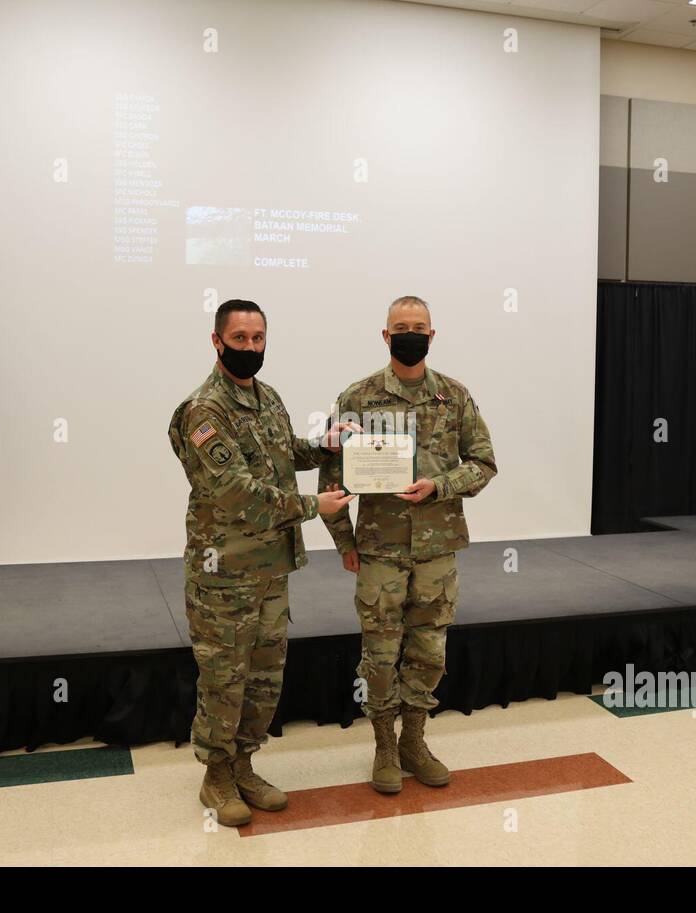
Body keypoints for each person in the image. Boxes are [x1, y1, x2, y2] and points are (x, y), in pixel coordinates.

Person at [167, 299, 355, 827]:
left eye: (258, 338)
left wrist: (322, 446)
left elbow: (279, 456)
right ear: (217, 340)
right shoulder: (203, 411)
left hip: (271, 570)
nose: (250, 347)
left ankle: (245, 765)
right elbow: (233, 492)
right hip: (224, 573)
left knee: (264, 679)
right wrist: (310, 507)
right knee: (224, 679)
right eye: (240, 338)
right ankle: (216, 776)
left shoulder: (267, 397)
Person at [319, 295, 496, 793]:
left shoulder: (455, 397)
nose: (410, 333)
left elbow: (483, 463)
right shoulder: (358, 396)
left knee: (428, 650)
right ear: (385, 335)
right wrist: (343, 542)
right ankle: (383, 746)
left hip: (438, 548)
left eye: (418, 326)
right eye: (401, 326)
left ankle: (414, 741)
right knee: (379, 654)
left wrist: (438, 485)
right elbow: (333, 476)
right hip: (379, 548)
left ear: (432, 335)